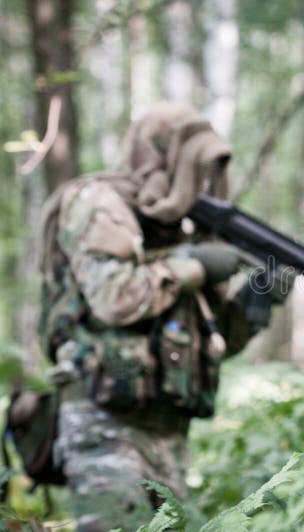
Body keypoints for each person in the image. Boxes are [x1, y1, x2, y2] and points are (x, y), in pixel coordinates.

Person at [38, 103, 289, 531]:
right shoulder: (99, 202)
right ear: (161, 157)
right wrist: (194, 266)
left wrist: (252, 307)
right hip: (104, 421)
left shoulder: (177, 229)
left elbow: (203, 343)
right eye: (193, 164)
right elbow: (114, 298)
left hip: (169, 431)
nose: (202, 180)